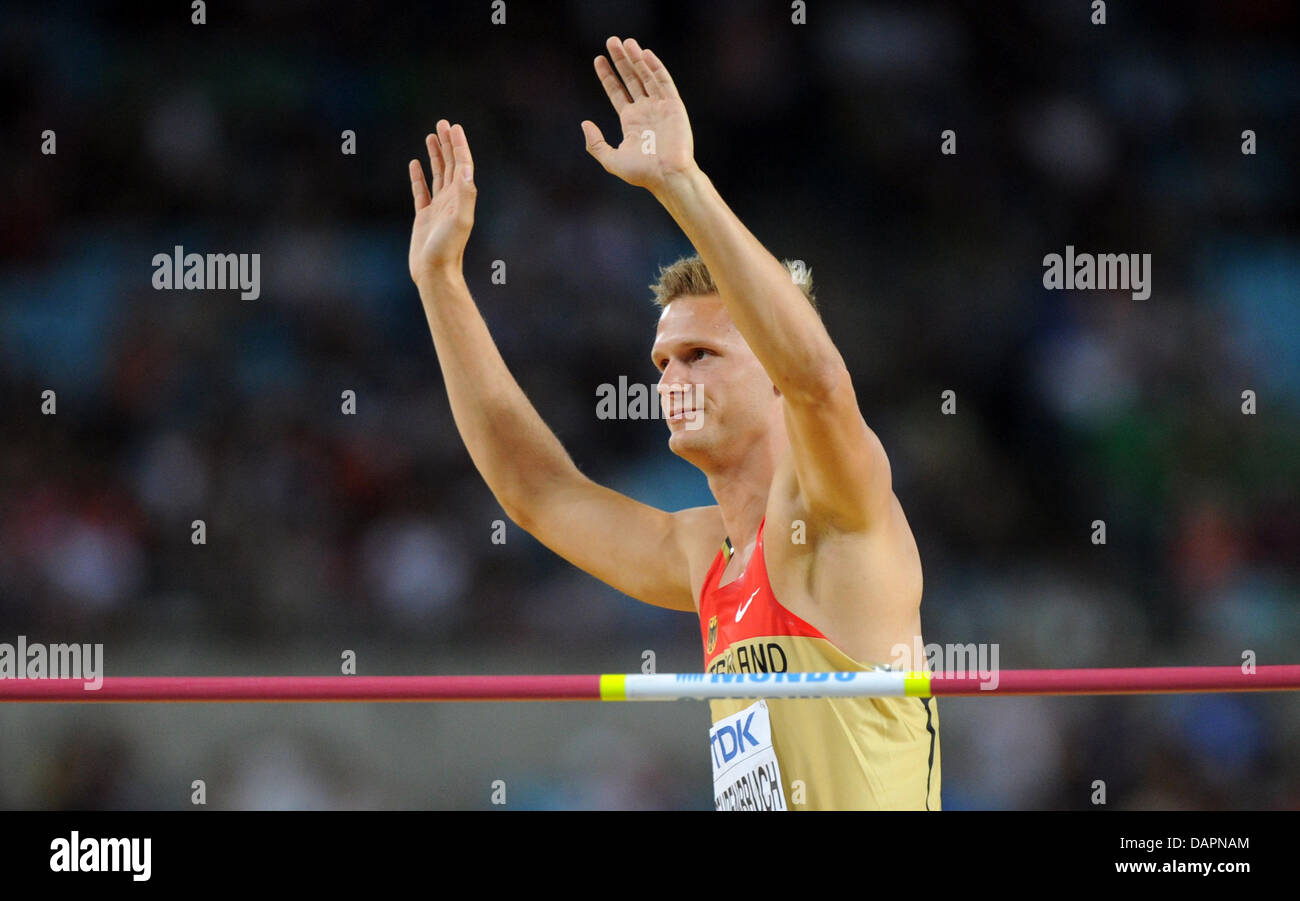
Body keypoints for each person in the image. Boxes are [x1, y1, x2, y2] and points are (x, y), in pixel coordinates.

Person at [406, 36, 939, 810]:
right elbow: (536, 492)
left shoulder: (834, 518)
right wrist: (441, 282)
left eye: (699, 354)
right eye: (662, 363)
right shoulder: (703, 556)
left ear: (773, 374)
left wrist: (680, 183)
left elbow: (819, 381)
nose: (672, 380)